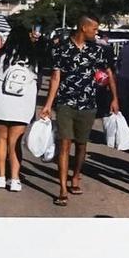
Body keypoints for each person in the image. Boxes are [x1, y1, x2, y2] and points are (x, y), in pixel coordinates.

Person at [38, 11, 117, 208]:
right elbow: (55, 77)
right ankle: (62, 189)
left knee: (81, 144)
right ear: (84, 27)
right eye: (94, 29)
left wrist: (114, 98)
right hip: (65, 103)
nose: (96, 32)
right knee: (64, 143)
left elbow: (107, 73)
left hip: (88, 104)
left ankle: (76, 175)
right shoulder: (61, 49)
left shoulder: (97, 50)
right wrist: (48, 104)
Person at [0, 27, 41, 194]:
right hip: (22, 105)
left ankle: (1, 177)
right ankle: (15, 179)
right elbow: (36, 83)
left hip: (0, 102)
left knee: (1, 139)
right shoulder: (32, 59)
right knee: (15, 142)